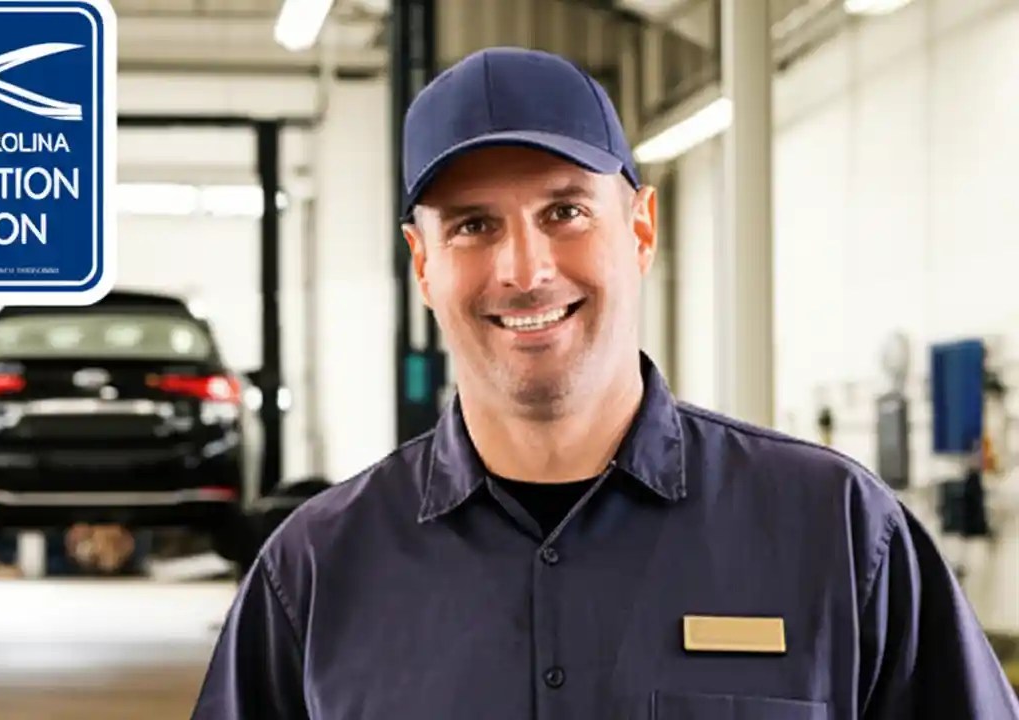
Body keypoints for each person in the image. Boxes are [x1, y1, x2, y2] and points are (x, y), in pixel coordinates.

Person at [190, 46, 1019, 719]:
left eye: (565, 211)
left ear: (641, 229)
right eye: (474, 225)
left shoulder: (837, 534)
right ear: (422, 265)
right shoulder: (315, 574)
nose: (526, 268)